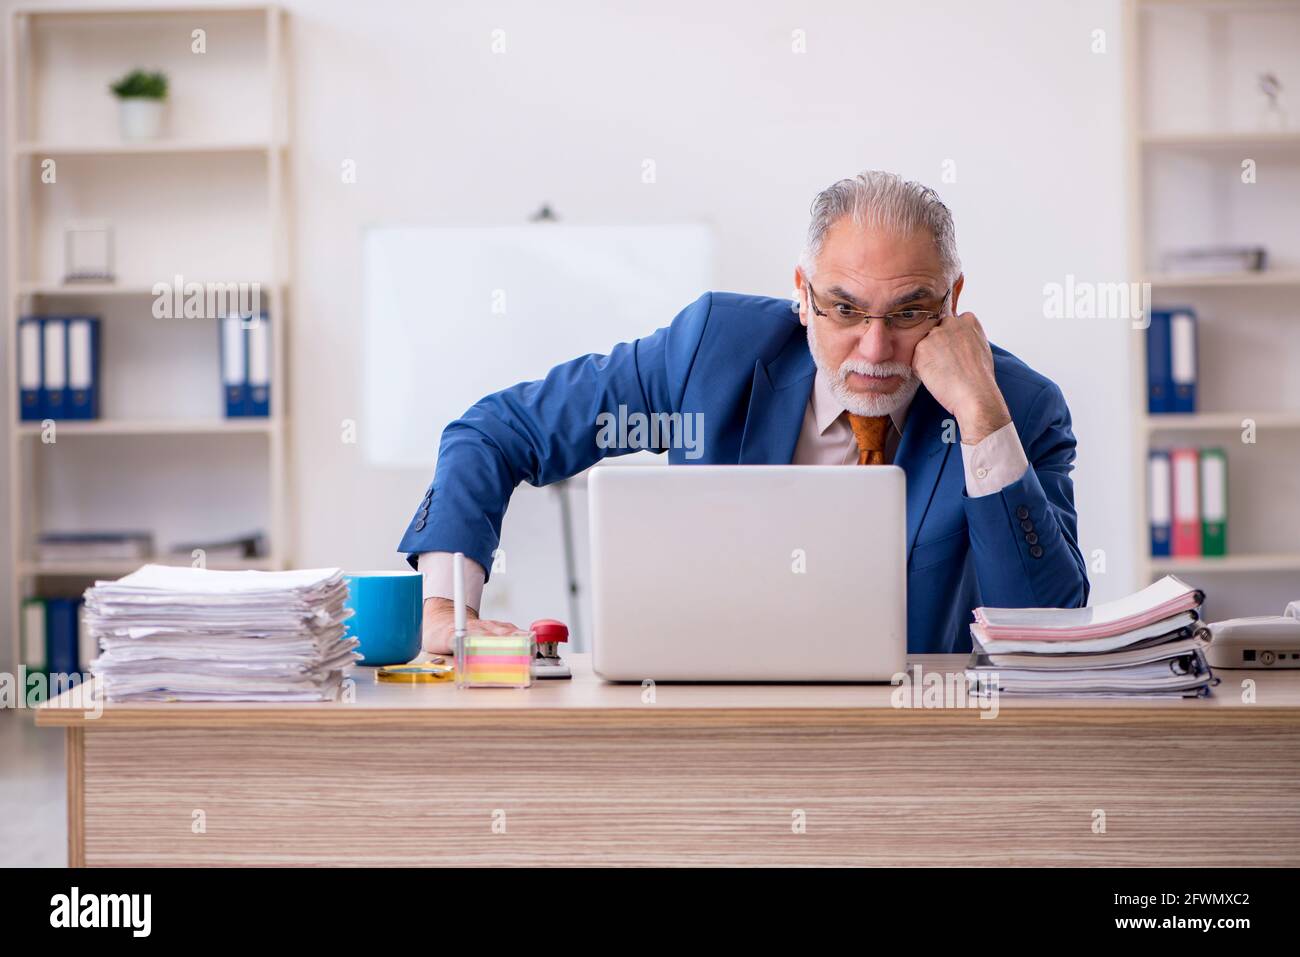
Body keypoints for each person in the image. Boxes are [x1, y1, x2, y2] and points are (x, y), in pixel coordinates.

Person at [398, 170, 1089, 655]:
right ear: (801, 291)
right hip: (714, 736)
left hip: (914, 753)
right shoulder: (714, 350)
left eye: (909, 311)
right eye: (844, 308)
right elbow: (494, 431)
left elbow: (1049, 636)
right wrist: (444, 607)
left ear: (953, 299)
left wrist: (981, 417)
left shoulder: (1016, 408)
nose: (875, 348)